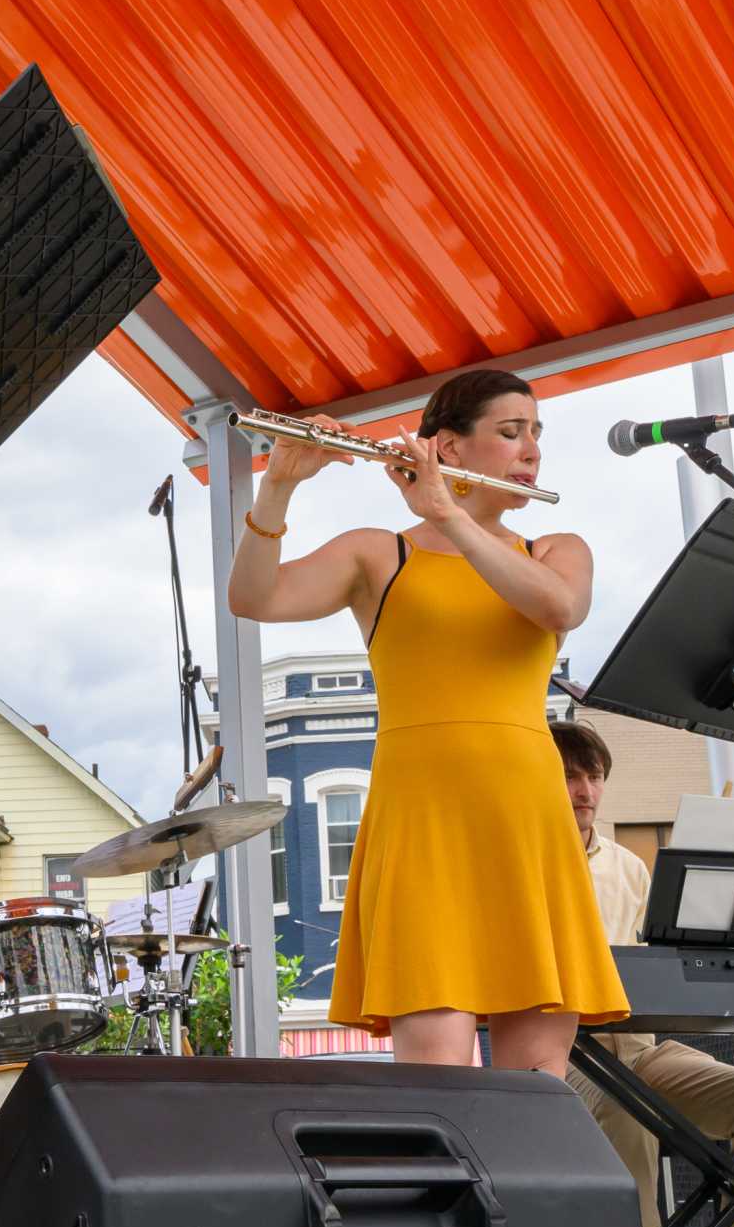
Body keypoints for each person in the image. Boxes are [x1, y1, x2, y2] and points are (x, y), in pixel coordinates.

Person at [226, 369, 625, 1078]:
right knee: (441, 1083)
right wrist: (279, 483)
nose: (531, 449)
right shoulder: (380, 552)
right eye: (510, 432)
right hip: (424, 819)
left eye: (536, 433)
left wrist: (451, 515)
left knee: (538, 1090)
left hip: (525, 818)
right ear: (448, 447)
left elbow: (558, 609)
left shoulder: (556, 549)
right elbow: (254, 596)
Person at [552, 720, 734, 1227]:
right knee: (623, 1107)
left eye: (594, 776)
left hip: (639, 1053)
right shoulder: (518, 862)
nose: (586, 791)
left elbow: (657, 962)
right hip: (563, 1061)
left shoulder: (630, 868)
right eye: (569, 777)